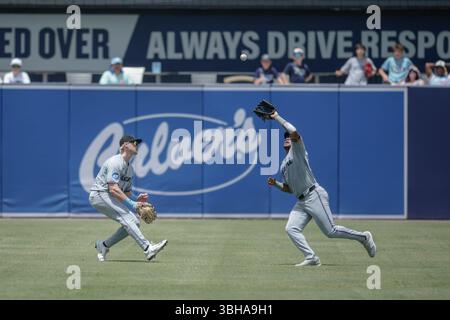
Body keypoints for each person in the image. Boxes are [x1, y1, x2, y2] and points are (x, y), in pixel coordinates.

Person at [267, 110, 376, 267]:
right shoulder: (283, 164)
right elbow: (290, 188)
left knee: (330, 231)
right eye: (284, 138)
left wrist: (276, 117)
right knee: (291, 228)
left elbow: (293, 131)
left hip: (313, 194)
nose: (286, 139)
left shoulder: (297, 150)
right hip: (302, 201)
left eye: (288, 138)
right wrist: (276, 184)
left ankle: (364, 237)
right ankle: (312, 258)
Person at [89, 135, 168, 262]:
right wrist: (133, 204)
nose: (136, 145)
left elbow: (125, 191)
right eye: (134, 142)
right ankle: (148, 248)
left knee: (134, 222)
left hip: (108, 194)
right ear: (125, 145)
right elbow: (113, 188)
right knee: (126, 217)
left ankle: (103, 246)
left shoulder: (129, 169)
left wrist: (137, 199)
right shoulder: (115, 162)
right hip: (99, 194)